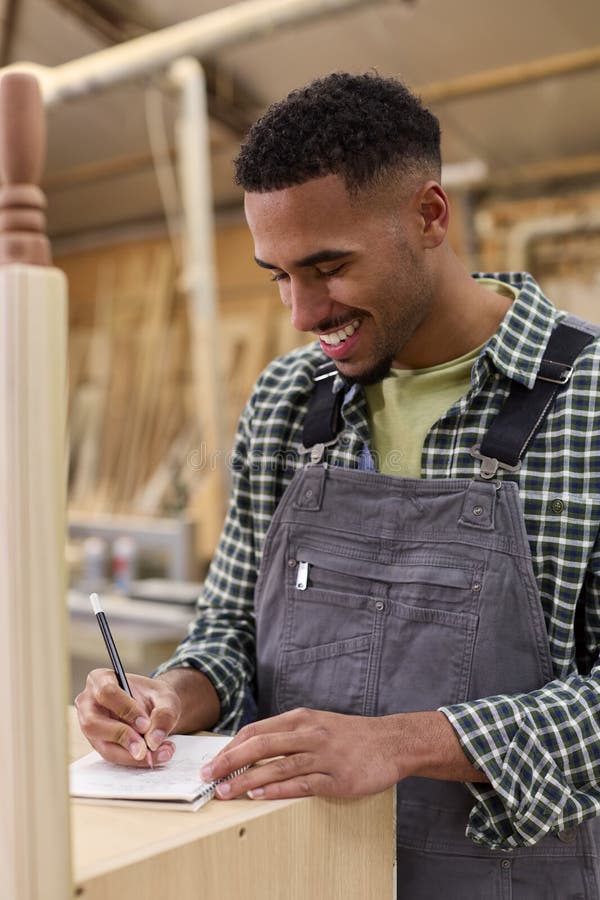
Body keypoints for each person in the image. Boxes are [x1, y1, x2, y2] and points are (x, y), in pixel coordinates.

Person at [76, 72, 600, 897]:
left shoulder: (589, 403)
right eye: (278, 275)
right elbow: (231, 631)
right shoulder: (288, 402)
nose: (301, 313)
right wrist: (175, 695)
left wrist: (403, 741)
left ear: (430, 216)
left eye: (328, 267)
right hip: (296, 869)